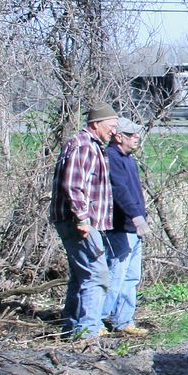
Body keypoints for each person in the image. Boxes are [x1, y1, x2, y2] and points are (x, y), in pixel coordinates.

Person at [48, 104, 118, 341]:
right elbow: (74, 186)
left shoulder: (89, 145)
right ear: (97, 124)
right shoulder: (84, 146)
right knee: (97, 276)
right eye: (111, 126)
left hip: (79, 221)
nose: (114, 132)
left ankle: (71, 330)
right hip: (78, 222)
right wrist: (83, 219)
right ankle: (87, 334)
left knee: (82, 275)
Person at [103, 118, 150, 337]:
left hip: (133, 227)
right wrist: (135, 216)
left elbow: (135, 194)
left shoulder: (129, 159)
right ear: (118, 136)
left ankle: (123, 321)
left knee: (131, 277)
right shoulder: (111, 157)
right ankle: (97, 321)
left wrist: (141, 217)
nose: (136, 138)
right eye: (131, 135)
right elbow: (119, 191)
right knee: (115, 276)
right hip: (119, 227)